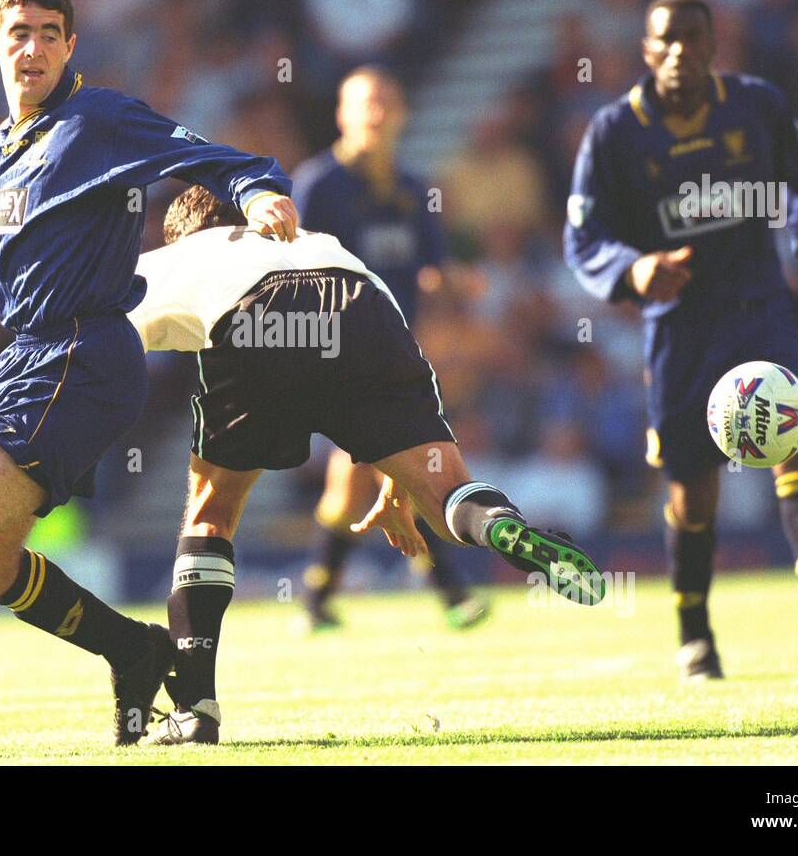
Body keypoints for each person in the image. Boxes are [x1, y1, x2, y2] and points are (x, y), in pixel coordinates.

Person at [0, 0, 298, 761]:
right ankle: (136, 652)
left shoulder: (99, 117)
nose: (32, 47)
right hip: (29, 358)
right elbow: (3, 217)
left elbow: (207, 156)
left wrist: (256, 190)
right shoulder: (15, 141)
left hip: (81, 352)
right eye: (19, 33)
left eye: (49, 33)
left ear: (71, 45)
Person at [128, 185, 606, 745]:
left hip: (258, 314)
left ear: (184, 232)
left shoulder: (188, 252)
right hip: (365, 309)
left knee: (212, 513)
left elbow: (96, 318)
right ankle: (502, 526)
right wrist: (398, 482)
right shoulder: (317, 240)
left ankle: (197, 711)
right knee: (448, 488)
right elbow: (368, 371)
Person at [563, 0, 798, 681]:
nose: (679, 52)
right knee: (692, 492)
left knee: (797, 437)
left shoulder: (757, 104)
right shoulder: (614, 132)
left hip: (762, 306)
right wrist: (636, 269)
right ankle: (695, 634)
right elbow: (583, 236)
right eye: (665, 40)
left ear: (713, 45)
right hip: (680, 327)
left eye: (693, 38)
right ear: (645, 50)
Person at [291, 66, 488, 633]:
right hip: (339, 351)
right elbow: (291, 265)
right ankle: (450, 591)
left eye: (385, 102)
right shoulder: (319, 186)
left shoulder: (409, 187)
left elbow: (432, 268)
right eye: (365, 102)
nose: (376, 113)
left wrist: (456, 282)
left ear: (400, 114)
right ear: (342, 114)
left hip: (397, 352)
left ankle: (315, 599)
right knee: (404, 460)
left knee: (355, 478)